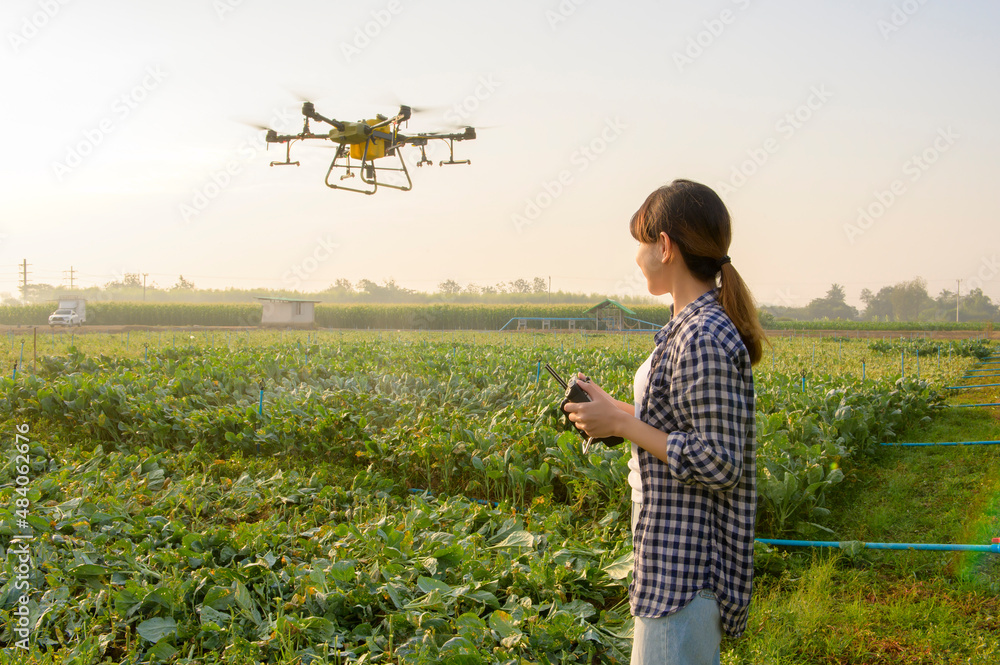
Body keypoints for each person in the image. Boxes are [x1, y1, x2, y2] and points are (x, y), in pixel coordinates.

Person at [563, 179, 764, 665]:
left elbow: (720, 461)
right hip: (666, 542)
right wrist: (614, 412)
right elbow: (681, 424)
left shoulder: (702, 336)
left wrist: (624, 425)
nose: (637, 256)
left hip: (686, 560)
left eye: (642, 242)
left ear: (666, 246)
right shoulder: (688, 327)